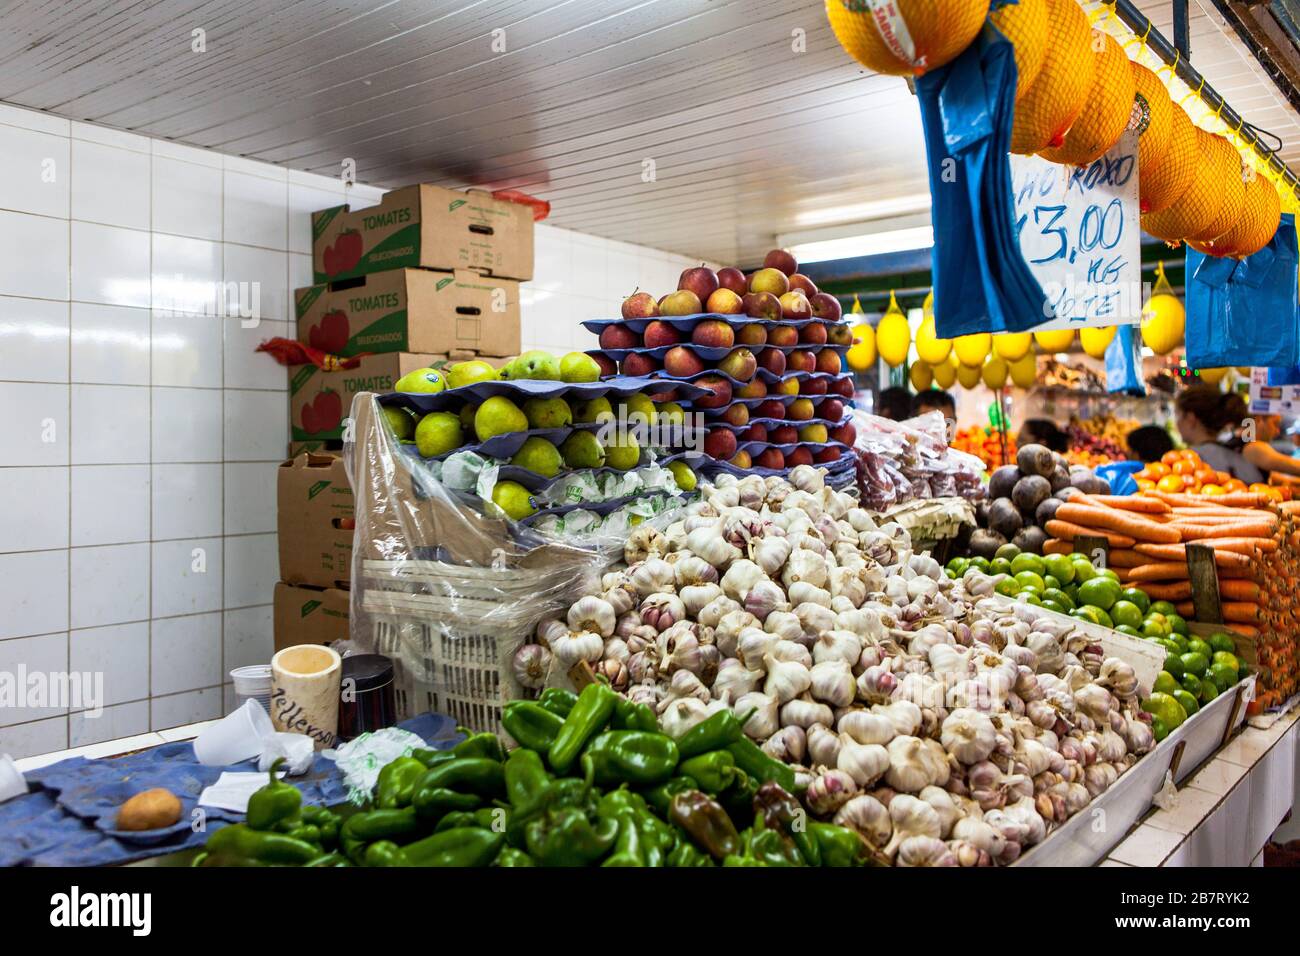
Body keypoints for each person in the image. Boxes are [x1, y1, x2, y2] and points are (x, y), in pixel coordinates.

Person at [1172, 386, 1264, 483]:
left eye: (1177, 415)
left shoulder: (1185, 463)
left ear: (1191, 419)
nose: (1176, 423)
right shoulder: (1240, 458)